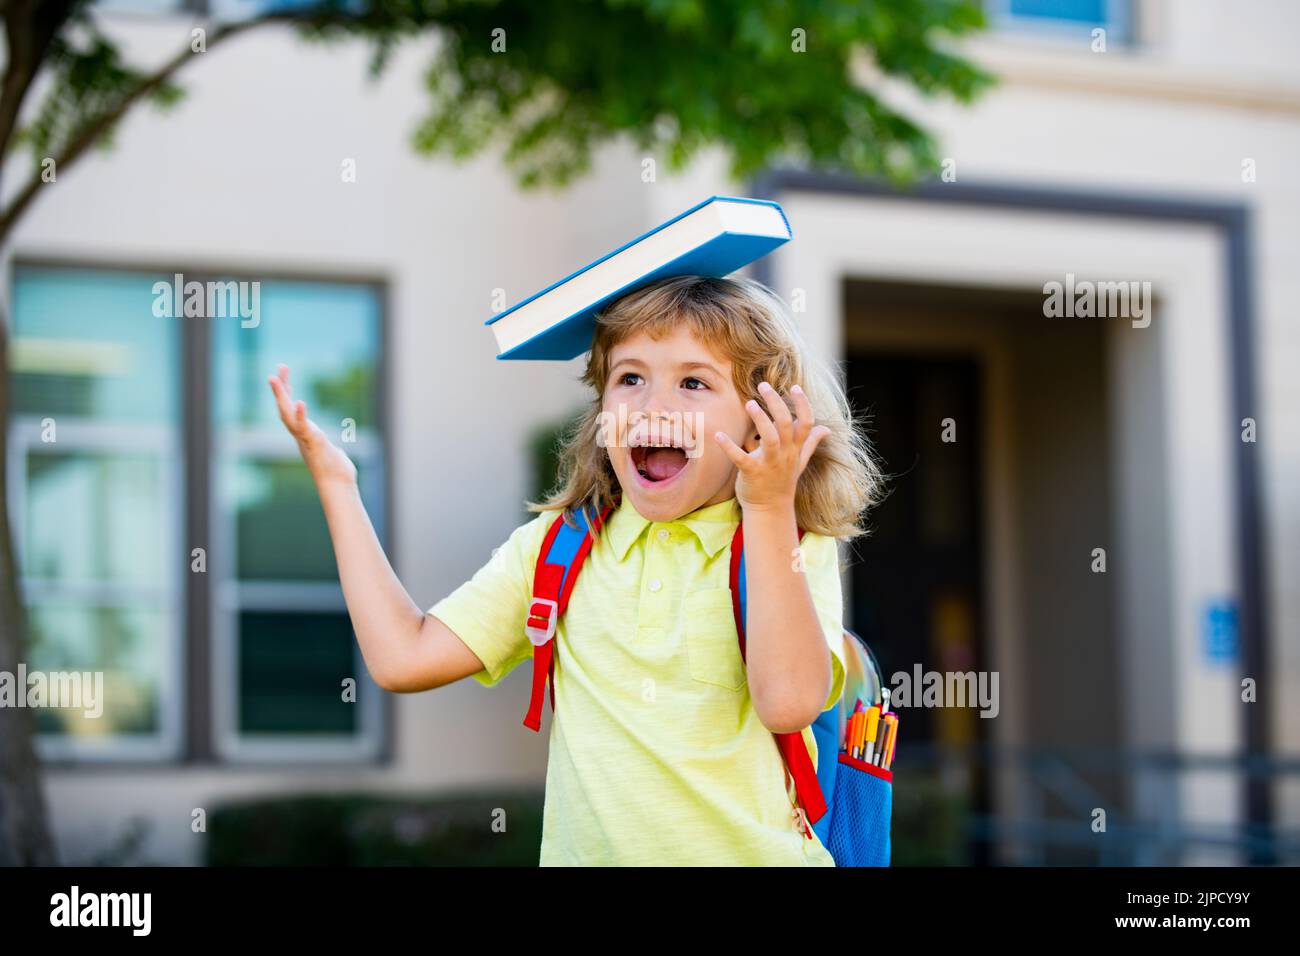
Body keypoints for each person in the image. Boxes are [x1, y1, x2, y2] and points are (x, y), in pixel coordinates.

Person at [268, 274, 884, 865]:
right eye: (629, 378)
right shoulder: (557, 549)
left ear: (762, 420)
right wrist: (338, 486)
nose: (653, 406)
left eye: (694, 384)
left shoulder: (784, 542)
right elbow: (402, 657)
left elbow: (788, 703)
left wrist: (771, 506)